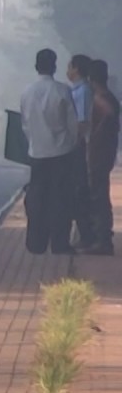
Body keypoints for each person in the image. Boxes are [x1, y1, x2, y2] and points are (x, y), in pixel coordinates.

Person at [19, 49, 79, 255]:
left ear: (36, 66)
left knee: (37, 200)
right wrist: (71, 146)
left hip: (37, 154)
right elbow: (73, 126)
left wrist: (34, 143)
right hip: (61, 154)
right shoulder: (62, 91)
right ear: (54, 66)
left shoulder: (26, 92)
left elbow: (25, 124)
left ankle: (36, 244)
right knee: (60, 200)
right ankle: (60, 244)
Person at [84, 59, 119, 255]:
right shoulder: (109, 97)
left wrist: (93, 136)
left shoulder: (101, 98)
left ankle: (102, 240)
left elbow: (107, 115)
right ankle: (102, 237)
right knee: (100, 195)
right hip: (105, 153)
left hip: (99, 153)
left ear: (91, 78)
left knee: (98, 196)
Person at [67, 54, 95, 247]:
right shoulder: (77, 90)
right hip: (77, 146)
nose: (67, 70)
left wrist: (74, 145)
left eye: (69, 66)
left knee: (80, 191)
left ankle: (86, 236)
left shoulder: (83, 91)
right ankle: (84, 234)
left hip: (78, 146)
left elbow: (83, 121)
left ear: (76, 68)